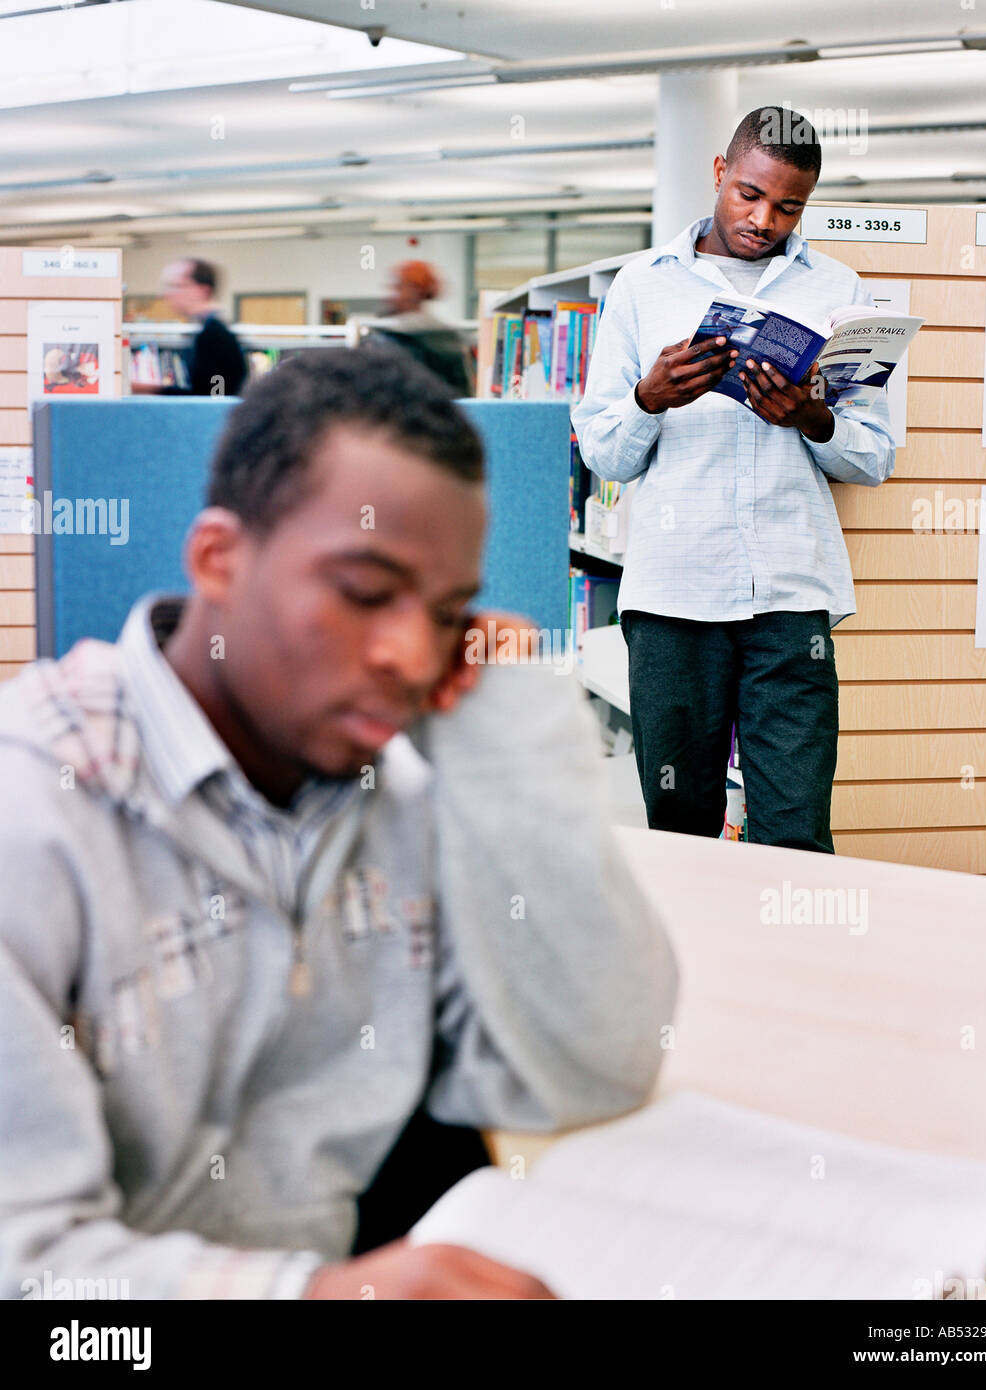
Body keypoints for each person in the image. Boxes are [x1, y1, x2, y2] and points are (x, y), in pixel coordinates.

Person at [0, 342, 676, 1300]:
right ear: (219, 560)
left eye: (446, 613)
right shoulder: (35, 821)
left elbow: (594, 1066)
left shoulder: (393, 792)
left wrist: (510, 713)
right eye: (364, 592)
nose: (408, 652)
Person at [572, 107, 896, 854]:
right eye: (749, 195)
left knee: (798, 828)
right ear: (720, 171)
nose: (764, 219)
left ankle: (793, 967)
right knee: (680, 830)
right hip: (674, 599)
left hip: (792, 596)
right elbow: (603, 452)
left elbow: (872, 455)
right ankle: (695, 972)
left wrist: (811, 418)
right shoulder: (640, 287)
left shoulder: (841, 292)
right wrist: (650, 400)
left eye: (788, 206)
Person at [132, 257, 247, 398]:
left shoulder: (214, 335)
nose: (166, 294)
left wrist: (150, 390)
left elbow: (213, 398)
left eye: (177, 286)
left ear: (203, 290)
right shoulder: (206, 330)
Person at [364, 260, 475, 397]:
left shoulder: (400, 335)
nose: (392, 294)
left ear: (414, 291)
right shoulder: (445, 333)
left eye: (398, 287)